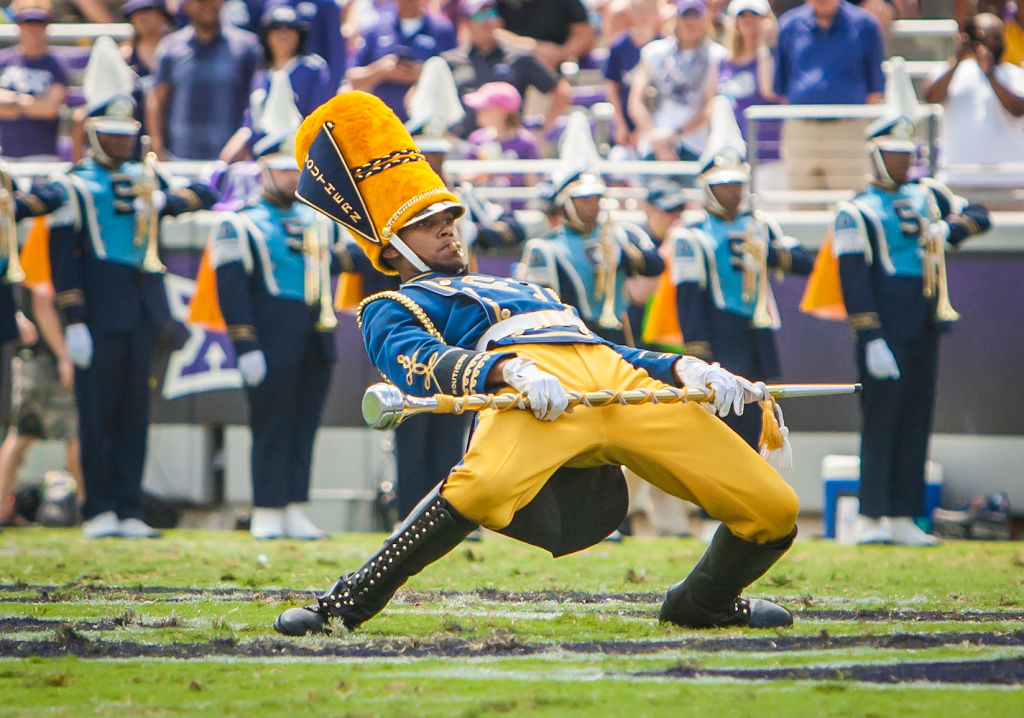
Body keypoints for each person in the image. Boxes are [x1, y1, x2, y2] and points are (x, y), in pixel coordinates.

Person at [274, 90, 798, 636]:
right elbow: (416, 363)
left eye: (450, 217)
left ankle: (702, 603)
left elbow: (601, 348)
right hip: (533, 395)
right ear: (390, 248)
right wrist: (505, 372)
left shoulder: (518, 284)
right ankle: (343, 604)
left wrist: (684, 369)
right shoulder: (392, 304)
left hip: (618, 384)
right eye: (429, 223)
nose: (449, 227)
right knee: (478, 490)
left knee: (773, 507)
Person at [46, 38, 217, 539]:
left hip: (144, 316)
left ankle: (127, 506)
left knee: (135, 417)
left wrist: (162, 190)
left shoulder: (146, 181)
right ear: (93, 133)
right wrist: (73, 319)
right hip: (98, 315)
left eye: (128, 135)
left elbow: (202, 195)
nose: (122, 143)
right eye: (112, 135)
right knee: (96, 415)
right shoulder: (72, 186)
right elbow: (62, 261)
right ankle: (97, 507)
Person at [828, 66, 991, 546]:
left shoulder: (931, 193)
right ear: (876, 155)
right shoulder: (854, 210)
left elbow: (980, 214)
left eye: (909, 153)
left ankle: (905, 513)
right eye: (895, 154)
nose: (905, 162)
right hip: (885, 319)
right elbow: (854, 280)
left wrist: (951, 229)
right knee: (882, 418)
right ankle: (872, 513)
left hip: (924, 318)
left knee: (918, 415)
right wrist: (870, 335)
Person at [211, 74, 337, 540]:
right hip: (268, 332)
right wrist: (245, 345)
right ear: (263, 169)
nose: (292, 175)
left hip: (314, 334)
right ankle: (266, 505)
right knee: (271, 421)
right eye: (283, 168)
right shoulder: (239, 224)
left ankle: (294, 504)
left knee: (304, 422)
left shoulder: (318, 218)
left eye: (297, 167)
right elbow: (232, 292)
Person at [667, 96, 813, 450]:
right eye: (724, 186)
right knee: (721, 420)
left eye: (737, 185)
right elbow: (688, 299)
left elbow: (805, 263)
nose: (733, 192)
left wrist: (771, 254)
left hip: (756, 330)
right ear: (708, 187)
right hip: (720, 331)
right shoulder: (692, 234)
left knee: (756, 413)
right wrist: (698, 352)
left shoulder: (761, 225)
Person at [517, 112, 664, 347]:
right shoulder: (545, 247)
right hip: (572, 339)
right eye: (584, 200)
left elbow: (656, 265)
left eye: (596, 199)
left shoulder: (620, 234)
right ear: (566, 202)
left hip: (617, 336)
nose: (592, 206)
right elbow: (541, 307)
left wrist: (623, 254)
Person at [772, 0, 884, 199]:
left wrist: (860, 126)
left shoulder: (865, 24)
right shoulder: (790, 25)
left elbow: (875, 86)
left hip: (847, 130)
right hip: (801, 129)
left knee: (851, 204)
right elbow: (782, 86)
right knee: (801, 205)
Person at [922, 12, 1024, 210]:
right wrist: (957, 59)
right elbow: (931, 96)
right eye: (980, 37)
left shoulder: (1016, 75)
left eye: (995, 36)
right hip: (958, 184)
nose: (987, 43)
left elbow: (1017, 109)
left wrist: (991, 74)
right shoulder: (951, 72)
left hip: (1010, 186)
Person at [218, 4, 335, 162]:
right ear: (266, 35)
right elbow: (251, 121)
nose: (283, 34)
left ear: (300, 34)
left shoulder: (313, 69)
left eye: (290, 28)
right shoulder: (261, 74)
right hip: (263, 157)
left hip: (298, 157)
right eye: (276, 28)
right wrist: (225, 158)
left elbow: (319, 118)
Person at [147, 0, 262, 159]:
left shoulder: (247, 46)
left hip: (228, 164)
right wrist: (158, 148)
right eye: (200, 1)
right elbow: (157, 100)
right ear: (186, 5)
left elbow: (256, 102)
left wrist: (244, 144)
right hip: (178, 158)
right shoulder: (170, 47)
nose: (207, 4)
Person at [442, 0, 569, 139]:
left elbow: (561, 91)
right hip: (461, 149)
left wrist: (544, 131)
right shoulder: (450, 61)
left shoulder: (519, 57)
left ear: (499, 21)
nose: (487, 21)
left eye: (491, 14)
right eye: (479, 16)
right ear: (466, 23)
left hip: (508, 149)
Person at [628, 0, 725, 163]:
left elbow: (710, 106)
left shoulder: (716, 55)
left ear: (706, 18)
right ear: (676, 19)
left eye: (696, 15)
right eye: (686, 16)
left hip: (695, 149)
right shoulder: (653, 52)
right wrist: (656, 139)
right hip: (652, 147)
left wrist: (674, 134)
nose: (691, 22)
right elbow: (635, 102)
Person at [346, 0, 457, 122]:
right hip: (382, 122)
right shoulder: (376, 29)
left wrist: (426, 73)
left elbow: (456, 76)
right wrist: (381, 70)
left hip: (428, 125)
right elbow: (353, 78)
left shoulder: (442, 30)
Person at [715, 0, 782, 193]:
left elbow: (768, 90)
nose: (748, 20)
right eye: (742, 15)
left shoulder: (775, 56)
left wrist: (763, 44)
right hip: (734, 157)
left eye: (754, 15)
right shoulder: (723, 60)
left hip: (769, 155)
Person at [0, 0, 68, 160]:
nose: (33, 29)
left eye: (39, 22)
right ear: (18, 25)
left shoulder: (56, 64)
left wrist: (11, 103)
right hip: (4, 156)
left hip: (43, 156)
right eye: (27, 22)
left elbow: (50, 109)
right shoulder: (3, 60)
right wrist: (32, 105)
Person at [602, 0, 663, 152]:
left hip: (657, 127)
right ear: (630, 12)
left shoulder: (665, 47)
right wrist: (620, 124)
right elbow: (612, 86)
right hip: (626, 128)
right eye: (639, 9)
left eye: (648, 9)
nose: (643, 15)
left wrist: (644, 130)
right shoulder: (618, 46)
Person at [493, 0, 596, 72]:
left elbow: (586, 35)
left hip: (556, 70)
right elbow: (491, 31)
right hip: (512, 68)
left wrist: (560, 53)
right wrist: (533, 48)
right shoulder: (498, 3)